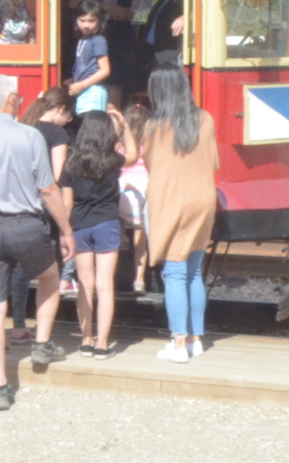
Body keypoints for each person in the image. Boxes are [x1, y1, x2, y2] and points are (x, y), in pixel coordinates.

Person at [0, 75, 75, 411]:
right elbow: (48, 190)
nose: (21, 101)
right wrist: (65, 230)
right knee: (50, 276)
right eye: (18, 97)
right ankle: (43, 342)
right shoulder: (30, 136)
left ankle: (0, 387)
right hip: (27, 227)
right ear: (9, 100)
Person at [143, 65, 218, 362]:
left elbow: (152, 165)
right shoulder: (205, 118)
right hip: (203, 199)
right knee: (193, 272)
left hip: (172, 200)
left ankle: (178, 345)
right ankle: (196, 340)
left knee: (173, 273)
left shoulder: (155, 125)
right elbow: (213, 161)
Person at [59, 109, 137, 359]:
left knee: (85, 284)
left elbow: (67, 204)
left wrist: (64, 231)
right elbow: (134, 155)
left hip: (80, 226)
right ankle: (103, 344)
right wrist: (124, 125)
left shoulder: (70, 163)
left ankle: (86, 340)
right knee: (105, 286)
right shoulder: (112, 160)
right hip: (107, 224)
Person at [17, 87, 75, 323]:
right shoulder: (57, 133)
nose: (68, 122)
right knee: (50, 274)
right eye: (68, 116)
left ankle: (19, 325)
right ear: (60, 109)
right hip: (44, 205)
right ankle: (45, 330)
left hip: (19, 201)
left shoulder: (23, 125)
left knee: (17, 272)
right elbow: (58, 176)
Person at [119, 94, 153, 292]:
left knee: (117, 206)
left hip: (123, 191)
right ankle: (139, 279)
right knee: (141, 237)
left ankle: (122, 234)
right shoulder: (148, 145)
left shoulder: (121, 144)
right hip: (143, 192)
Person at [69, 0, 111, 114]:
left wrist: (81, 85)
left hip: (93, 91)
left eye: (91, 21)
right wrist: (74, 80)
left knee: (91, 126)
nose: (86, 25)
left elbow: (105, 70)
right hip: (84, 90)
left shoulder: (98, 40)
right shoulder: (83, 39)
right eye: (82, 20)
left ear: (100, 20)